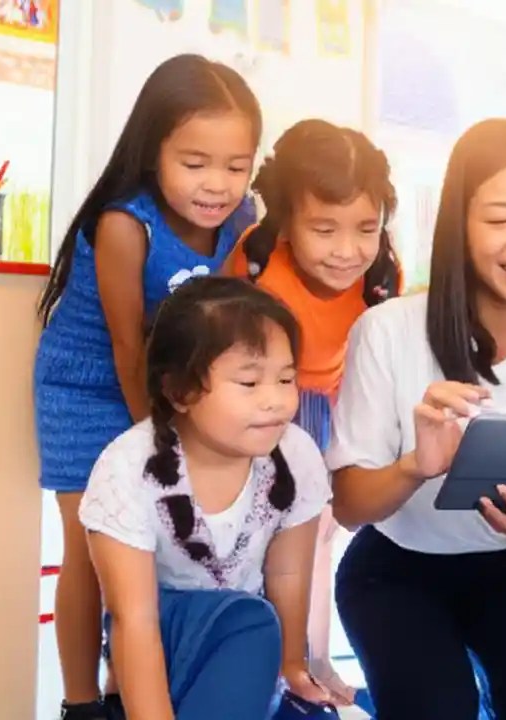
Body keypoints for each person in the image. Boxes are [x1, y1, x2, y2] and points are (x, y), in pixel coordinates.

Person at [325, 118, 506, 720]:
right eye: (498, 218)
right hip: (395, 570)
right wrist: (414, 467)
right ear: (459, 226)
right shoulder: (387, 331)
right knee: (440, 708)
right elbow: (351, 506)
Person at [33, 54, 261, 720]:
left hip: (171, 388)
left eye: (236, 165)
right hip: (89, 386)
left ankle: (125, 690)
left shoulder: (242, 217)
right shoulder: (123, 224)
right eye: (195, 164)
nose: (217, 185)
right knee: (91, 545)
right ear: (153, 149)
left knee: (153, 553)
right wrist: (162, 444)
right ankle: (81, 703)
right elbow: (128, 345)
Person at [79, 276, 334, 719]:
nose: (275, 401)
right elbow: (134, 620)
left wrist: (293, 666)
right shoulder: (127, 468)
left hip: (252, 644)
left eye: (286, 378)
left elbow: (289, 573)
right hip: (165, 639)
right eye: (250, 383)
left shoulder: (296, 452)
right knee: (247, 621)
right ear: (180, 391)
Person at [223, 119, 401, 704]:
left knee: (320, 533)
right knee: (262, 534)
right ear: (286, 222)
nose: (347, 250)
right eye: (324, 229)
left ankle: (312, 658)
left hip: (334, 404)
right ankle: (266, 658)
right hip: (268, 404)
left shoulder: (381, 277)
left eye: (365, 229)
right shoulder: (256, 273)